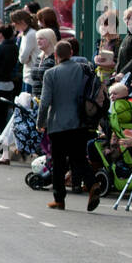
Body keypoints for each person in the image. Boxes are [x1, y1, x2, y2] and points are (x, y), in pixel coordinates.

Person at [37, 40, 100, 212]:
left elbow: (45, 102)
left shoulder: (50, 74)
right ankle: (92, 183)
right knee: (78, 157)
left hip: (58, 123)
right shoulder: (83, 69)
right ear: (71, 53)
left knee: (58, 162)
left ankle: (59, 199)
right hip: (80, 121)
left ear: (56, 55)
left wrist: (40, 122)